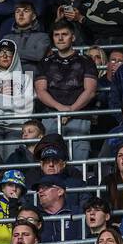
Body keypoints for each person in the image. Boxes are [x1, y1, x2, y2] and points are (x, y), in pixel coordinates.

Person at [33, 20, 98, 159]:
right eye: (57, 35)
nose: (60, 38)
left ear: (73, 37)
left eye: (64, 34)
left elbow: (90, 91)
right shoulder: (45, 62)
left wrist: (71, 110)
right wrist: (61, 109)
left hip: (80, 117)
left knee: (80, 165)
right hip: (51, 117)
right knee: (50, 161)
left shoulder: (86, 60)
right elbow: (40, 91)